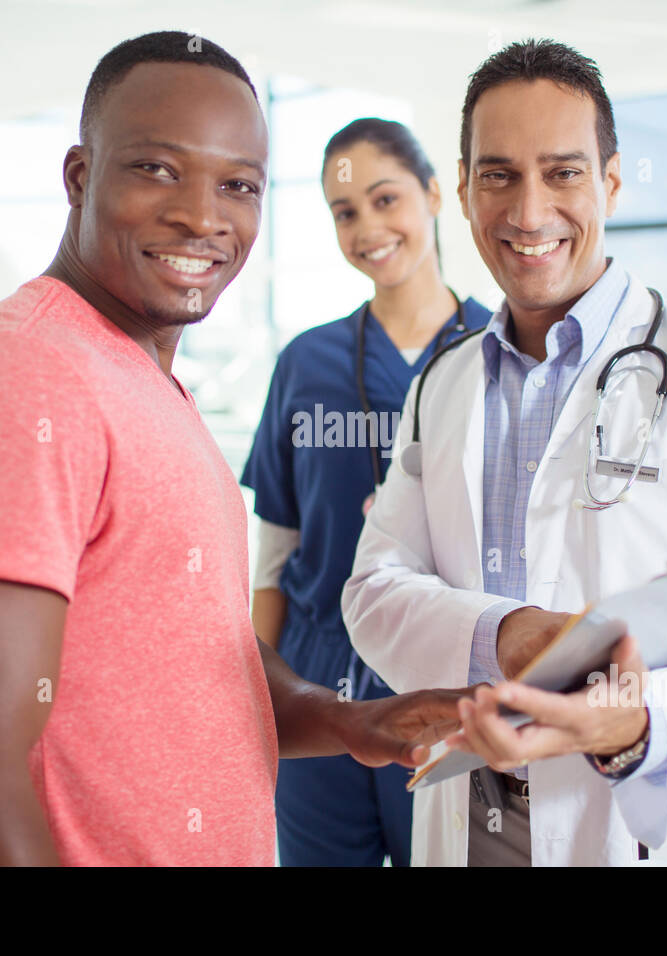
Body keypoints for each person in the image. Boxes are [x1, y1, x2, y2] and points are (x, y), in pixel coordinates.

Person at [0, 31, 466, 867]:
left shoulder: (142, 378)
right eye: (158, 169)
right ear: (79, 176)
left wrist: (349, 720)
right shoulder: (26, 377)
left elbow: (195, 657)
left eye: (238, 184)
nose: (202, 216)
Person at [341, 39, 667, 866]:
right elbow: (375, 590)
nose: (529, 213)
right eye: (498, 175)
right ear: (462, 191)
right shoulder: (441, 386)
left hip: (645, 819)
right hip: (473, 819)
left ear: (608, 181)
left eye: (563, 173)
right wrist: (513, 635)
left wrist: (635, 720)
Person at [242, 119, 491, 866]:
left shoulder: (498, 353)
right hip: (317, 681)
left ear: (436, 195)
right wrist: (258, 698)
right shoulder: (307, 362)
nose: (369, 229)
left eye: (387, 200)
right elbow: (275, 553)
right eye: (345, 213)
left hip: (442, 682)